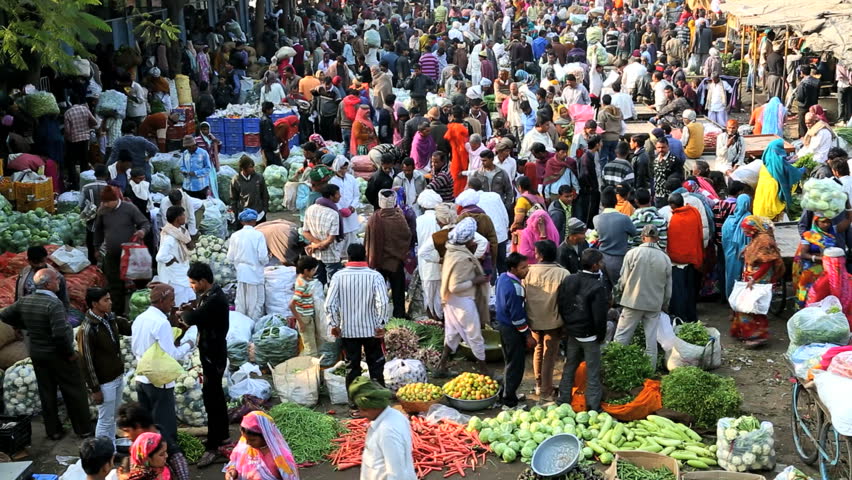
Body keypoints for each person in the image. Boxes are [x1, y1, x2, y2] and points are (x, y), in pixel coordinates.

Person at [0, 269, 91, 440]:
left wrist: (23, 325)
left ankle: (54, 431)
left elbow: (4, 315)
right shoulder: (53, 304)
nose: (58, 282)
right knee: (74, 390)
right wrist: (69, 353)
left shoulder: (25, 301)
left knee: (46, 392)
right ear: (48, 283)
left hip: (37, 353)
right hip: (57, 354)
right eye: (56, 279)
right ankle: (83, 429)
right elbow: (60, 334)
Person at [131, 284, 195, 471]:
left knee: (146, 424)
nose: (173, 303)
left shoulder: (140, 319)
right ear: (161, 301)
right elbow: (172, 355)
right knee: (164, 425)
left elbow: (135, 348)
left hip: (142, 378)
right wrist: (188, 344)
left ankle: (147, 461)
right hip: (160, 381)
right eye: (170, 300)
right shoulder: (160, 323)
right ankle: (169, 460)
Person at [325, 243, 390, 416]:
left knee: (352, 368)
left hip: (348, 331)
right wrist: (380, 324)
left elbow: (330, 304)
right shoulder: (375, 276)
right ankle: (379, 402)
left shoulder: (339, 276)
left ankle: (355, 406)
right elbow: (383, 302)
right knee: (375, 366)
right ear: (365, 256)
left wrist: (334, 324)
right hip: (371, 332)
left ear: (349, 257)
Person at [180, 262, 230, 467]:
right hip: (211, 352)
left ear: (202, 281)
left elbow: (192, 318)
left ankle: (214, 445)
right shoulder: (209, 296)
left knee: (212, 399)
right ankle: (222, 436)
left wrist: (182, 314)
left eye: (193, 283)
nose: (191, 286)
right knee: (214, 396)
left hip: (214, 354)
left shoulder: (215, 299)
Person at [437, 218, 491, 376]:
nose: (474, 241)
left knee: (452, 333)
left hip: (451, 301)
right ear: (466, 240)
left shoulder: (453, 250)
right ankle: (485, 371)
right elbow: (455, 287)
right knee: (474, 335)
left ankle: (441, 366)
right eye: (472, 238)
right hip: (461, 301)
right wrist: (475, 280)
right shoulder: (461, 258)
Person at [78, 288, 132, 445]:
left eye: (109, 299)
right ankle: (103, 452)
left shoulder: (109, 319)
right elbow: (86, 362)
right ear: (95, 304)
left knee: (113, 415)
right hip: (104, 382)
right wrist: (95, 389)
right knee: (105, 419)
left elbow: (128, 328)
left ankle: (111, 445)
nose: (110, 302)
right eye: (106, 300)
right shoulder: (87, 329)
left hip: (116, 376)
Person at [556, 249, 608, 411]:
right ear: (594, 266)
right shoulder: (597, 287)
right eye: (601, 262)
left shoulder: (570, 279)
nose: (602, 264)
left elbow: (562, 304)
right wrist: (600, 335)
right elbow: (599, 317)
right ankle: (593, 407)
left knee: (570, 366)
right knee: (592, 372)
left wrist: (568, 326)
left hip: (572, 332)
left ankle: (563, 400)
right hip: (589, 335)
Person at [614, 224, 672, 365]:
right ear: (657, 238)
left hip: (632, 302)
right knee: (651, 341)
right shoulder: (665, 259)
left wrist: (619, 295)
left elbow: (623, 280)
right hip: (654, 304)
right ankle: (649, 371)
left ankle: (615, 365)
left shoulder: (632, 254)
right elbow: (668, 289)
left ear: (642, 237)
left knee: (622, 337)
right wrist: (664, 304)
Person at [524, 240, 569, 401]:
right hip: (553, 321)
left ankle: (538, 384)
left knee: (537, 350)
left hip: (533, 320)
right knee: (549, 354)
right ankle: (546, 389)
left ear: (539, 255)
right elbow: (565, 301)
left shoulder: (528, 271)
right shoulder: (563, 274)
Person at [94, 186, 151, 314]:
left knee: (138, 282)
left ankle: (138, 310)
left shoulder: (129, 208)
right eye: (103, 202)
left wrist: (142, 231)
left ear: (115, 199)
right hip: (112, 254)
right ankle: (117, 314)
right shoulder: (103, 210)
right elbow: (98, 230)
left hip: (130, 254)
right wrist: (96, 247)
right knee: (114, 285)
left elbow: (145, 223)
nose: (105, 204)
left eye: (107, 202)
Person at [730, 216, 785, 347]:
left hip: (760, 279)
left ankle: (757, 335)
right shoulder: (756, 238)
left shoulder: (764, 240)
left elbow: (767, 262)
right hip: (752, 278)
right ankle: (743, 332)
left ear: (754, 228)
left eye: (746, 230)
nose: (745, 233)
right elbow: (755, 251)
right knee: (745, 305)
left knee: (752, 306)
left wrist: (754, 279)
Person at [347, 377, 416, 480]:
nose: (361, 414)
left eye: (364, 410)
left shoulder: (387, 431)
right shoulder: (396, 415)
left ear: (375, 406)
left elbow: (396, 474)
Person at [365, 189, 413, 319]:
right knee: (398, 291)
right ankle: (399, 315)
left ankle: (376, 316)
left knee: (378, 292)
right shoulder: (399, 217)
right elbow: (407, 236)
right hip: (396, 261)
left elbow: (368, 240)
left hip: (379, 260)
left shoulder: (374, 218)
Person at [495, 252, 533, 407]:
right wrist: (527, 335)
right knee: (515, 365)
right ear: (513, 269)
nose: (527, 270)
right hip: (512, 329)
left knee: (509, 361)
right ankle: (509, 402)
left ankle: (508, 392)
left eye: (527, 266)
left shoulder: (502, 277)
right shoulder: (516, 288)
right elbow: (517, 317)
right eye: (523, 268)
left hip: (502, 325)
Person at [116, 403, 190, 480]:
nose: (125, 435)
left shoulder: (168, 451)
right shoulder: (140, 444)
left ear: (138, 426)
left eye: (127, 431)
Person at [224, 411, 299, 480]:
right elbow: (235, 462)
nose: (247, 443)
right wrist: (232, 471)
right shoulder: (244, 445)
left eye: (252, 440)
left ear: (266, 436)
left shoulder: (281, 457)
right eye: (245, 438)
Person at [666, 193, 704, 323]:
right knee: (690, 290)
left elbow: (671, 241)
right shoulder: (694, 212)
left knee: (679, 291)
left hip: (677, 261)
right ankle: (692, 317)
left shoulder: (675, 219)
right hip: (693, 258)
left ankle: (680, 318)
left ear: (672, 205)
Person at [227, 209, 269, 319]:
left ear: (241, 222)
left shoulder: (235, 235)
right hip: (255, 274)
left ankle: (242, 324)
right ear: (255, 221)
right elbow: (263, 257)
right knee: (255, 303)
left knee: (241, 302)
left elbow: (230, 257)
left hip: (241, 273)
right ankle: (253, 325)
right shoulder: (258, 235)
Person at [594, 187, 638, 288]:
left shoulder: (596, 219)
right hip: (619, 259)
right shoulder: (624, 219)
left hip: (602, 258)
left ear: (602, 203)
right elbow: (634, 233)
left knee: (605, 288)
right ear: (615, 202)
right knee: (620, 289)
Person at [303, 184, 344, 284]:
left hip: (315, 252)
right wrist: (321, 245)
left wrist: (316, 244)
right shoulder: (333, 214)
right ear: (331, 197)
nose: (340, 196)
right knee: (334, 282)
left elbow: (305, 232)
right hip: (331, 253)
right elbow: (331, 239)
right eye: (338, 194)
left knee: (318, 282)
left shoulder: (310, 209)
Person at [794, 215, 837, 309]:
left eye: (828, 222)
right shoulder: (808, 235)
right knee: (809, 292)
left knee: (824, 292)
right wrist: (819, 258)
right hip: (811, 270)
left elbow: (847, 221)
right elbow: (803, 254)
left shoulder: (831, 235)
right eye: (823, 222)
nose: (826, 224)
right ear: (816, 222)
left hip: (827, 268)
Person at [754, 139, 804, 220]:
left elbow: (781, 162)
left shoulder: (768, 158)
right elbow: (789, 172)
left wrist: (789, 160)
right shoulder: (777, 163)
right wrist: (801, 170)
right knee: (771, 213)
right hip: (773, 192)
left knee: (763, 209)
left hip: (763, 192)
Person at [156, 206, 195, 306]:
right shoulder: (170, 236)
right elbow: (160, 256)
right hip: (175, 278)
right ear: (178, 218)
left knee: (191, 300)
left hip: (183, 273)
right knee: (179, 305)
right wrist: (172, 259)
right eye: (183, 215)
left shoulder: (180, 232)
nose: (185, 217)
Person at [328, 156, 363, 254]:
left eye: (345, 168)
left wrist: (352, 206)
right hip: (339, 214)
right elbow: (331, 198)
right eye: (341, 168)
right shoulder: (332, 181)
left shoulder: (351, 179)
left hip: (351, 213)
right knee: (341, 237)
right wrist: (340, 209)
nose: (343, 171)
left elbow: (356, 195)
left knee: (352, 237)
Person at [721, 194, 752, 298]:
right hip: (743, 255)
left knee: (730, 275)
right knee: (742, 278)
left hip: (729, 254)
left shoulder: (728, 220)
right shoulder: (749, 219)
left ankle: (730, 299)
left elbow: (724, 239)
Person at [289, 256, 321, 356]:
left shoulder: (304, 280)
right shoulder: (301, 285)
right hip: (304, 318)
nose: (314, 272)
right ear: (306, 271)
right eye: (313, 270)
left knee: (311, 344)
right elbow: (291, 305)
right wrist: (300, 322)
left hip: (307, 317)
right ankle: (310, 369)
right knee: (311, 350)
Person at [230, 155, 270, 224]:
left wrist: (264, 209)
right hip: (244, 215)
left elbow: (265, 195)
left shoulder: (259, 178)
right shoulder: (236, 180)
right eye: (250, 167)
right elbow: (233, 199)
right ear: (243, 168)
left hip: (259, 214)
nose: (253, 169)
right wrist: (236, 213)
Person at [179, 135, 212, 200]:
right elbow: (182, 166)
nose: (189, 149)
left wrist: (195, 173)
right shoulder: (185, 153)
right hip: (187, 186)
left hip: (200, 187)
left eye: (190, 147)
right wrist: (184, 171)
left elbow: (208, 168)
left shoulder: (203, 153)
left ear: (194, 145)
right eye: (187, 147)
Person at [260, 102, 281, 166]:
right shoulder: (266, 121)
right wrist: (275, 149)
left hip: (267, 148)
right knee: (275, 165)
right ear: (267, 110)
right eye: (271, 109)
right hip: (269, 149)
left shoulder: (264, 119)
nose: (272, 111)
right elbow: (269, 137)